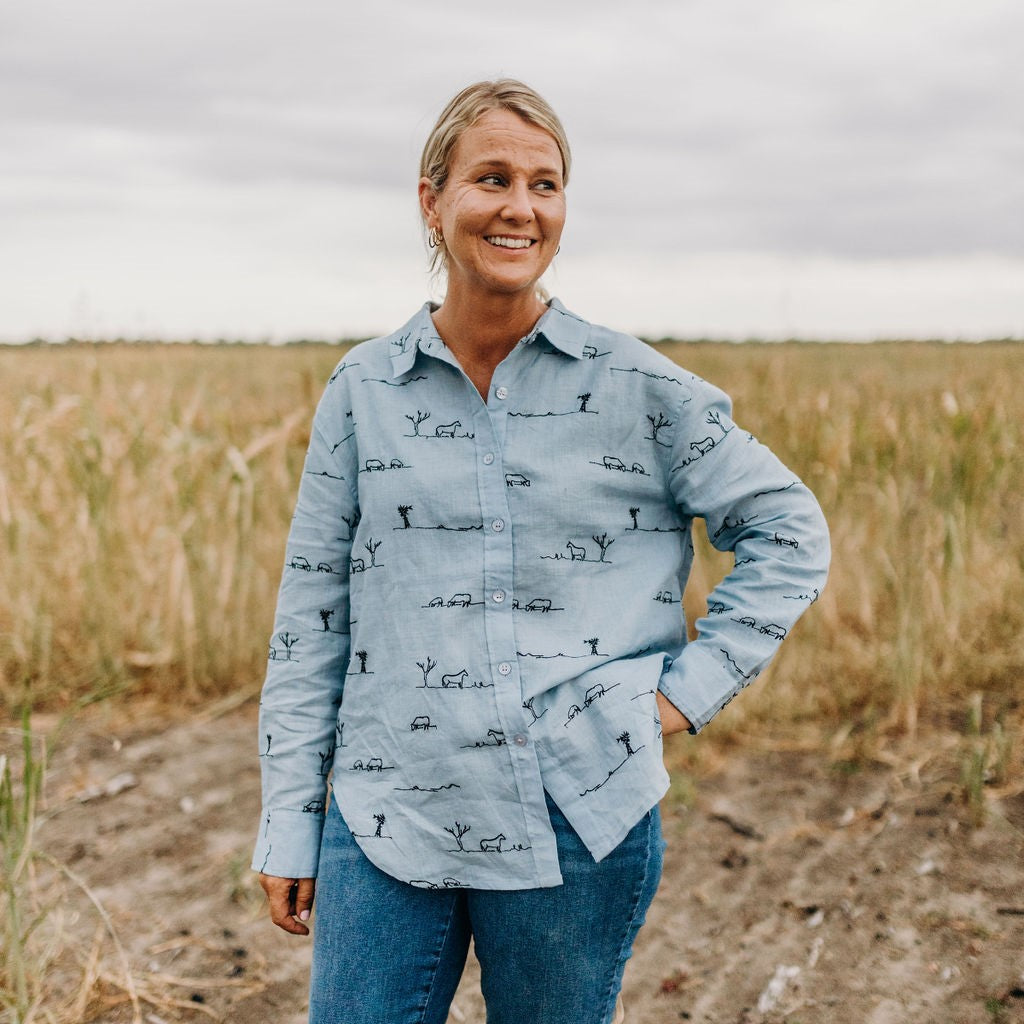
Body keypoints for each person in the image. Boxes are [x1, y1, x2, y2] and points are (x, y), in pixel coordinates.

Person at [254, 79, 830, 1024]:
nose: (521, 207)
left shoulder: (639, 387)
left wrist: (680, 695)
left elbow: (790, 530)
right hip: (388, 810)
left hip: (576, 812)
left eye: (545, 184)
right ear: (432, 202)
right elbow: (311, 612)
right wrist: (290, 820)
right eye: (491, 178)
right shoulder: (364, 389)